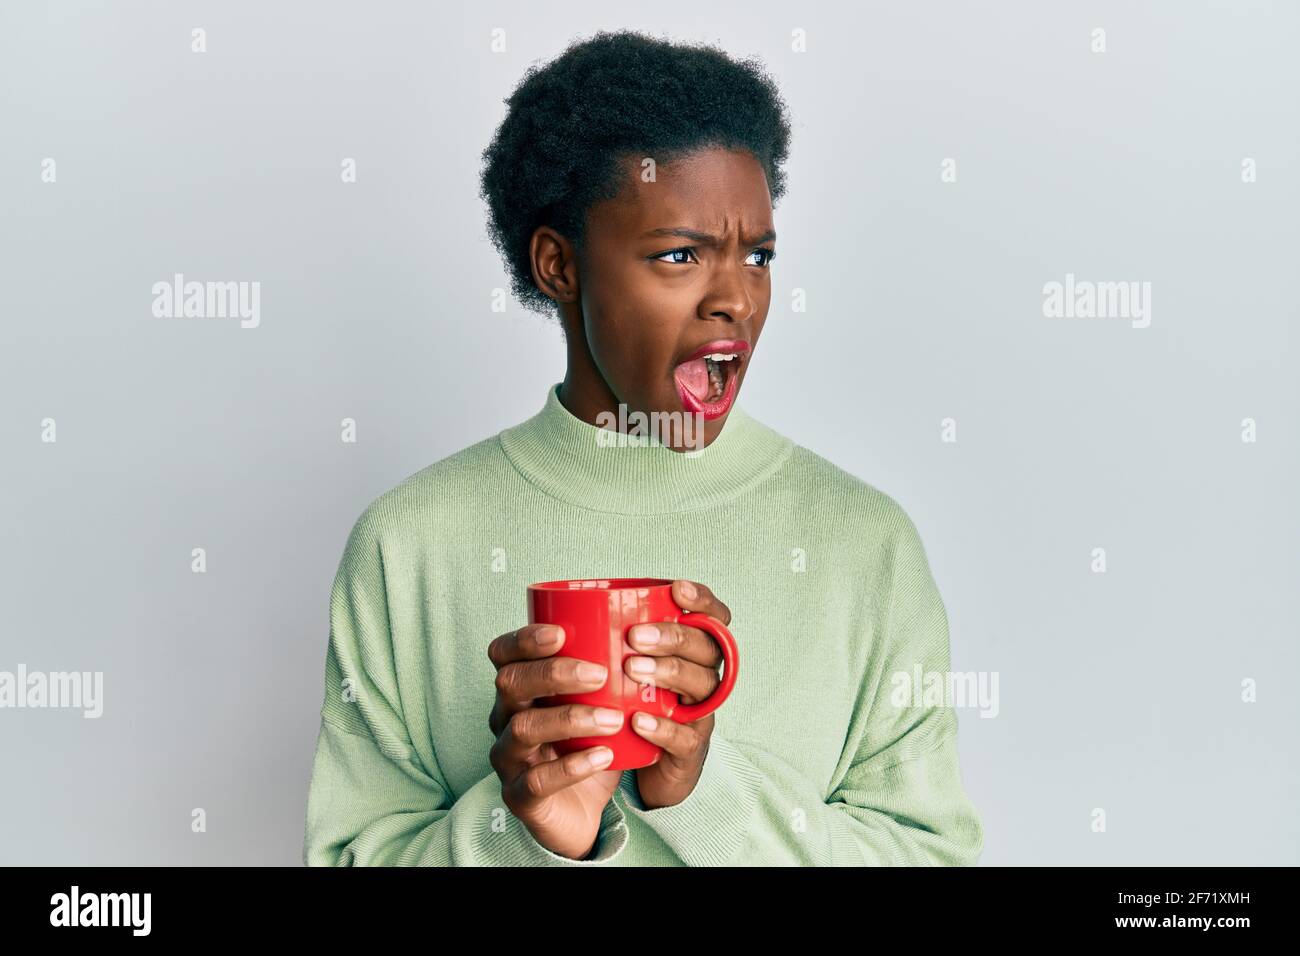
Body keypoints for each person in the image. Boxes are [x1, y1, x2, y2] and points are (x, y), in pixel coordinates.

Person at [302, 29, 984, 865]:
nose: (735, 298)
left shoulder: (866, 544)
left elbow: (932, 857)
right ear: (559, 265)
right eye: (679, 255)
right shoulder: (404, 545)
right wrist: (522, 830)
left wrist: (704, 790)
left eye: (758, 255)